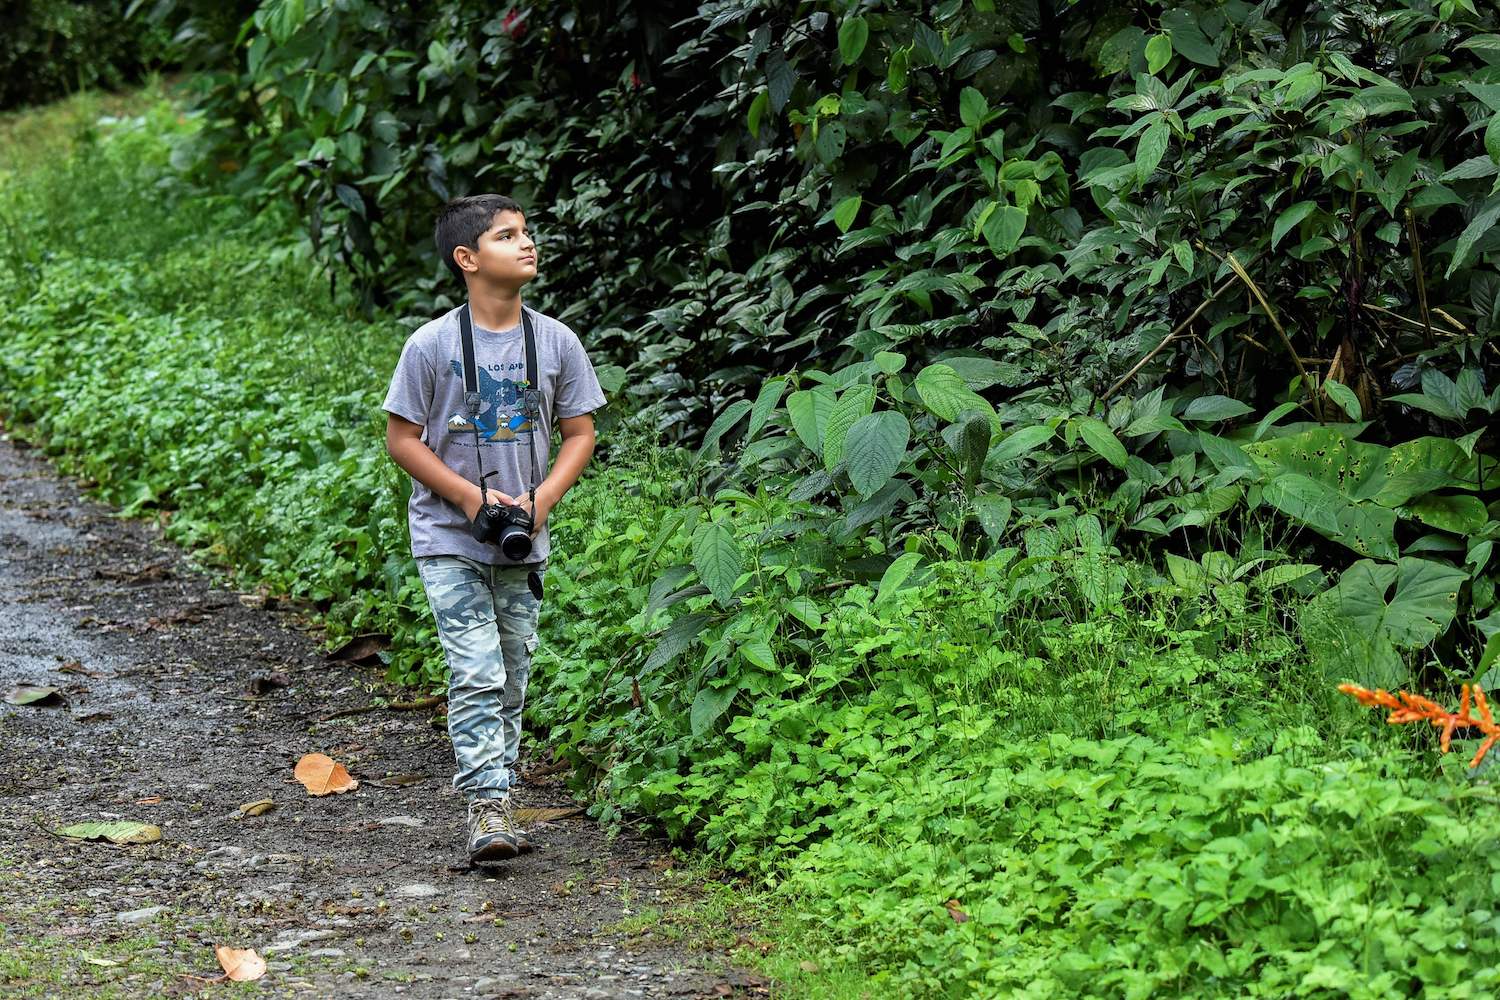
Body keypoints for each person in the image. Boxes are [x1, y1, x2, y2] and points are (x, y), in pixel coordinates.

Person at [381, 194, 607, 864]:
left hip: (522, 536)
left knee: (512, 670)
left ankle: (501, 794)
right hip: (450, 537)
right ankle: (487, 805)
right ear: (468, 258)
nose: (527, 243)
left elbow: (580, 432)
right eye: (507, 236)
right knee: (475, 668)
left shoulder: (557, 341)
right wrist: (468, 499)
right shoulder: (431, 346)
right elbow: (403, 439)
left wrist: (540, 501)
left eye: (527, 233)